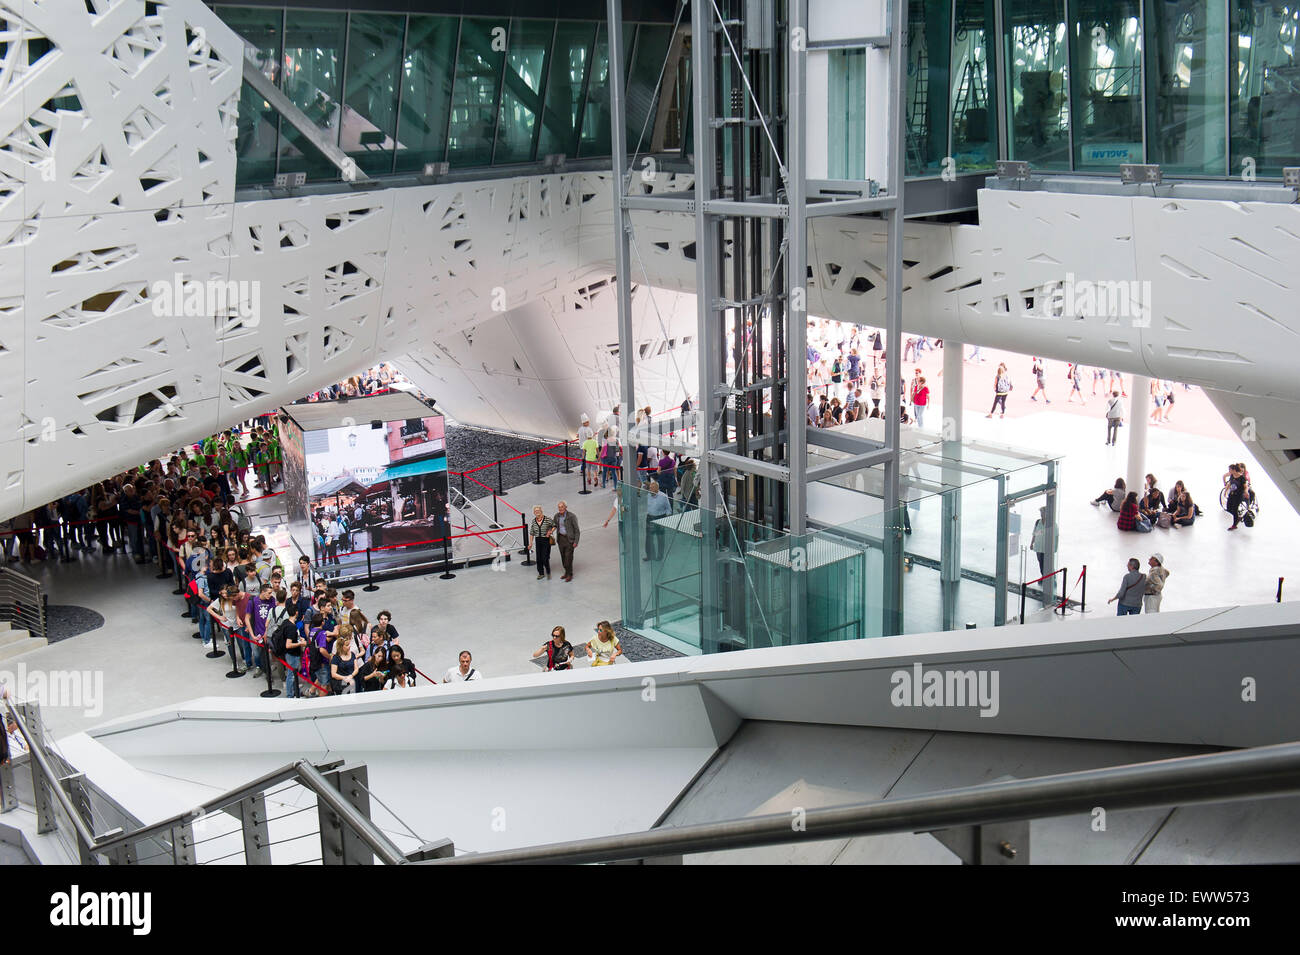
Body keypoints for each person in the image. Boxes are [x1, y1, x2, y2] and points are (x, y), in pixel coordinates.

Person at [552, 500, 580, 582]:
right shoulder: (556, 516)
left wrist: (576, 541)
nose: (560, 508)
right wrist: (550, 530)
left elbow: (577, 530)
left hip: (569, 540)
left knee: (568, 558)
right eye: (559, 507)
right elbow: (554, 525)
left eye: (562, 506)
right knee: (563, 557)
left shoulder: (571, 516)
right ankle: (566, 572)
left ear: (566, 507)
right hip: (561, 539)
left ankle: (569, 574)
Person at [644, 480, 672, 560]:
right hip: (649, 518)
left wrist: (666, 517)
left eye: (652, 488)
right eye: (650, 488)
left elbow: (669, 509)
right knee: (649, 538)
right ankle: (649, 556)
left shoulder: (663, 496)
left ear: (657, 489)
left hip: (660, 518)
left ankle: (660, 556)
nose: (650, 490)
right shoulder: (648, 495)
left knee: (660, 538)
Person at [530, 505, 555, 580]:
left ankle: (548, 570)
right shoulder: (534, 521)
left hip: (546, 540)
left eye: (538, 510)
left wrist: (550, 532)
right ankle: (541, 573)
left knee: (545, 557)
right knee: (539, 558)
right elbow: (532, 533)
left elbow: (554, 525)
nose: (537, 512)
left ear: (541, 511)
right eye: (535, 511)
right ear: (534, 512)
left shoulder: (547, 519)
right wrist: (530, 543)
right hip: (538, 540)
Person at [1224, 463, 1246, 530]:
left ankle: (1234, 525)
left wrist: (1246, 492)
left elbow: (1245, 486)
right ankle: (1238, 517)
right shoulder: (1232, 476)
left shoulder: (1241, 477)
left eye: (1230, 470)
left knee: (1234, 509)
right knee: (1229, 508)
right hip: (1232, 494)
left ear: (1234, 470)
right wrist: (1225, 491)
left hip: (1238, 496)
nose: (1229, 471)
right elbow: (1229, 483)